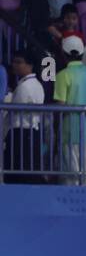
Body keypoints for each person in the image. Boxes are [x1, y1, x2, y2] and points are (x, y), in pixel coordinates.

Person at [53, 34, 86, 185]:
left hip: (69, 131)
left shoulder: (62, 75)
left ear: (63, 53)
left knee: (70, 177)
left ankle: (69, 208)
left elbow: (60, 105)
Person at [3, 48, 45, 178]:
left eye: (19, 62)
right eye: (14, 62)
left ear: (30, 65)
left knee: (18, 173)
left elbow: (14, 113)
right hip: (28, 133)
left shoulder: (26, 86)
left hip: (22, 133)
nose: (15, 65)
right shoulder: (33, 84)